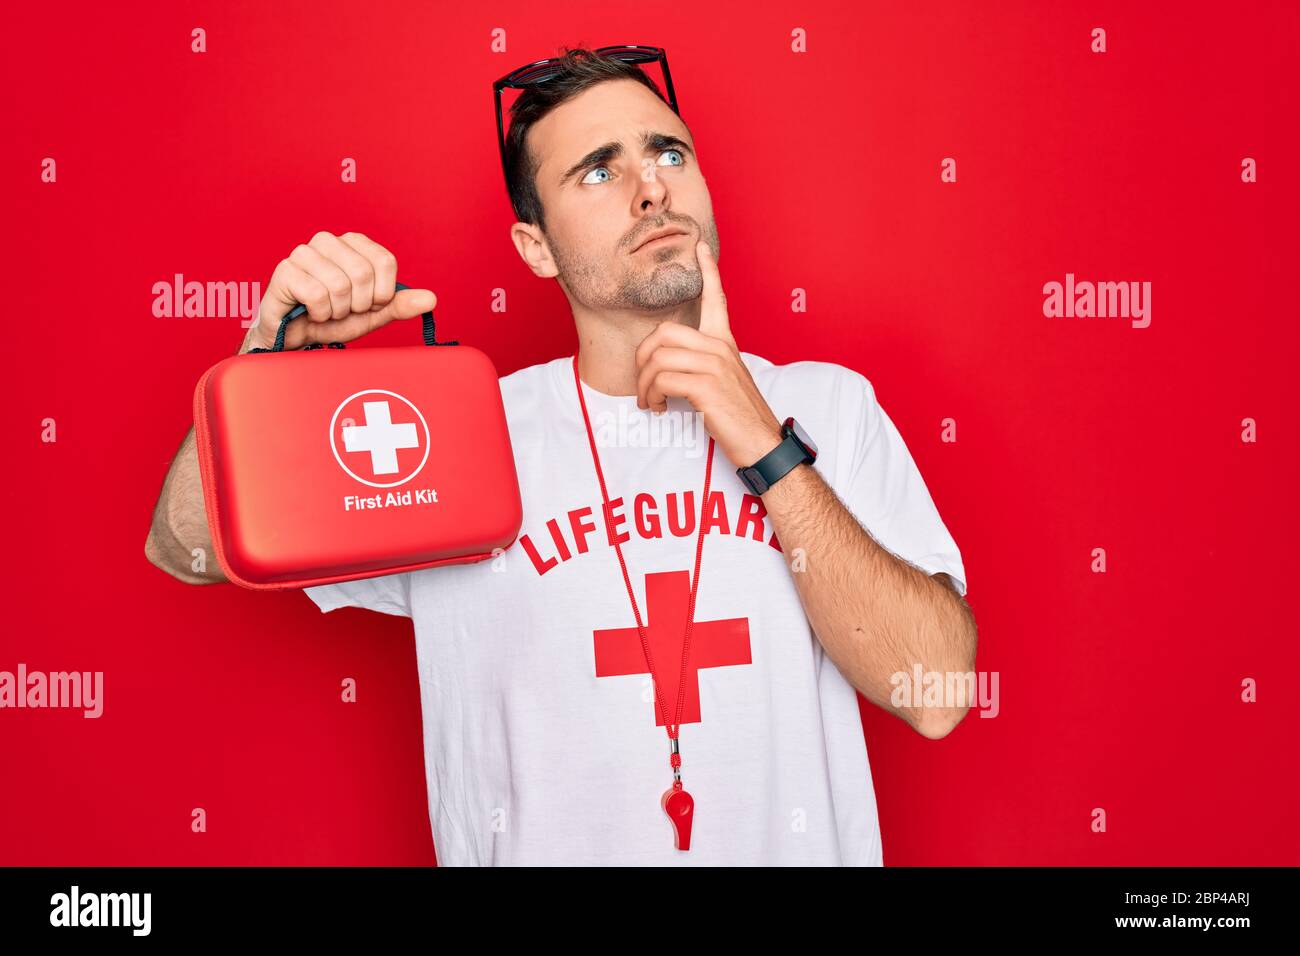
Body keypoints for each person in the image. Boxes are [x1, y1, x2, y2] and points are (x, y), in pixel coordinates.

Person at [145, 46, 977, 866]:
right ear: (535, 248)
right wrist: (265, 361)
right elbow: (187, 549)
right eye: (598, 171)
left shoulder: (830, 406)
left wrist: (762, 440)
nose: (652, 186)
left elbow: (935, 692)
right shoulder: (459, 434)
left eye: (668, 153)